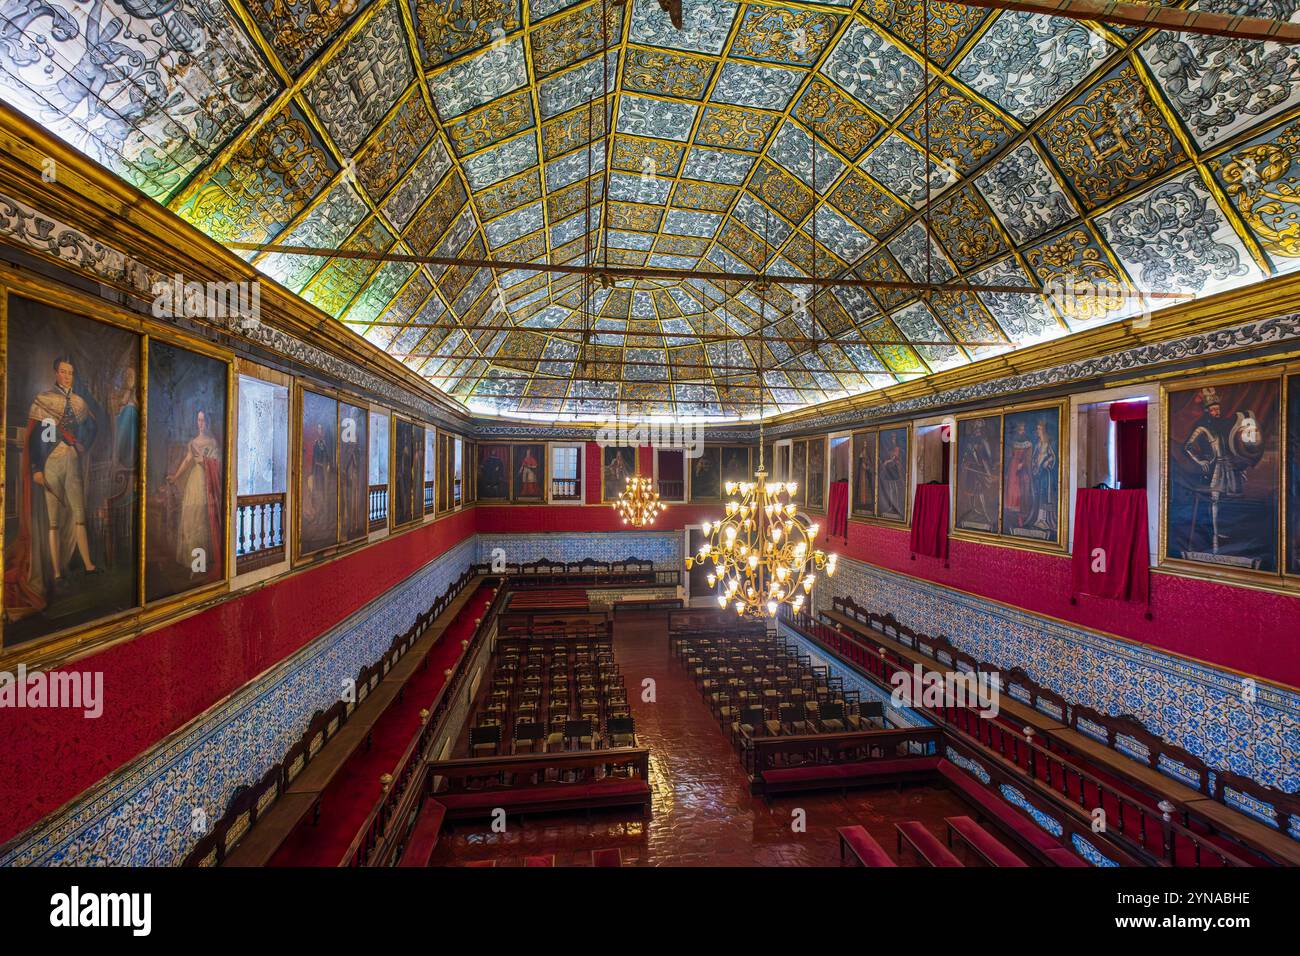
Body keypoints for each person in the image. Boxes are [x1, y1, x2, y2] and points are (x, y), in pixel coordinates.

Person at [165, 410, 222, 579]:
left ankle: (200, 565)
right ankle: (193, 563)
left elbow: (217, 464)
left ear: (208, 422)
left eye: (203, 420)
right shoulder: (193, 442)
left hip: (205, 482)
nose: (201, 423)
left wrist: (204, 461)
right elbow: (186, 460)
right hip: (194, 482)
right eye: (199, 420)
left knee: (201, 522)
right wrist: (176, 476)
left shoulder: (212, 442)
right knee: (191, 521)